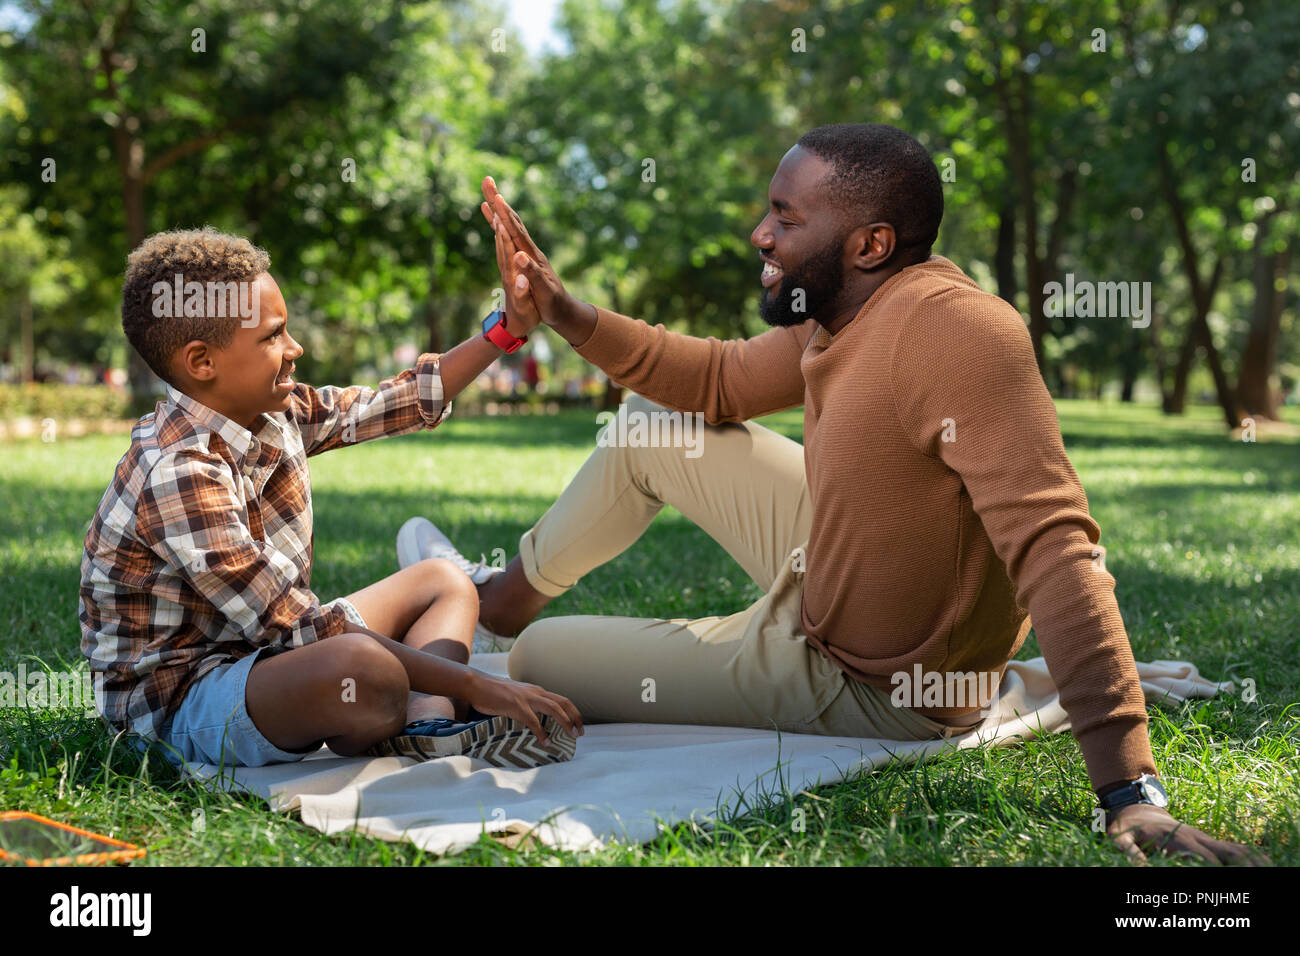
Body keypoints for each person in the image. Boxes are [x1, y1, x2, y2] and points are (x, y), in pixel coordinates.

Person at [404, 124, 1266, 864]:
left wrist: (1130, 789)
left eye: (785, 217)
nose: (759, 235)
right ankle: (495, 600)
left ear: (869, 244)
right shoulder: (848, 313)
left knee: (543, 662)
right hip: (829, 570)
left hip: (869, 683)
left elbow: (1057, 551)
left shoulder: (958, 333)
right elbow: (714, 377)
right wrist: (563, 310)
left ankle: (512, 630)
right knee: (650, 423)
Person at [79, 225, 582, 771]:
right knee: (362, 671)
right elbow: (297, 626)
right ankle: (414, 703)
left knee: (445, 581)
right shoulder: (176, 470)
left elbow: (401, 399)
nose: (295, 348)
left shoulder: (274, 413)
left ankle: (426, 724)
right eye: (273, 336)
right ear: (202, 363)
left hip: (264, 657)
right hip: (181, 702)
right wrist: (478, 683)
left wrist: (507, 330)